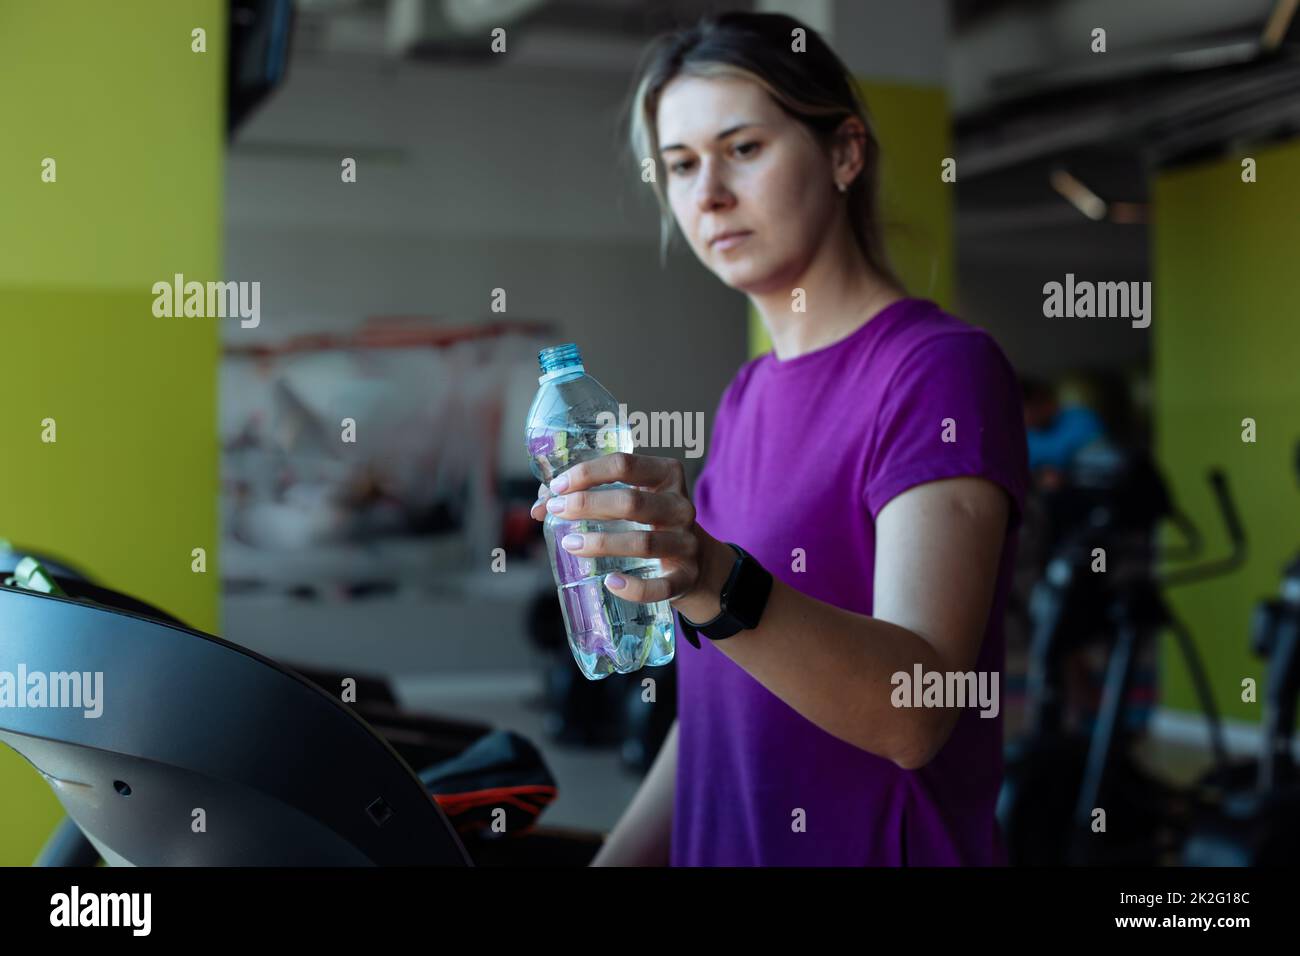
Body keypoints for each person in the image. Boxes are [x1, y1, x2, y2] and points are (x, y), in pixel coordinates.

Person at [529, 12, 1028, 866]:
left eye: (744, 148)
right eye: (681, 166)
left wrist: (709, 572)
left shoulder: (937, 371)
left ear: (844, 153)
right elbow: (720, 711)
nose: (709, 193)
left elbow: (917, 711)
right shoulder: (747, 396)